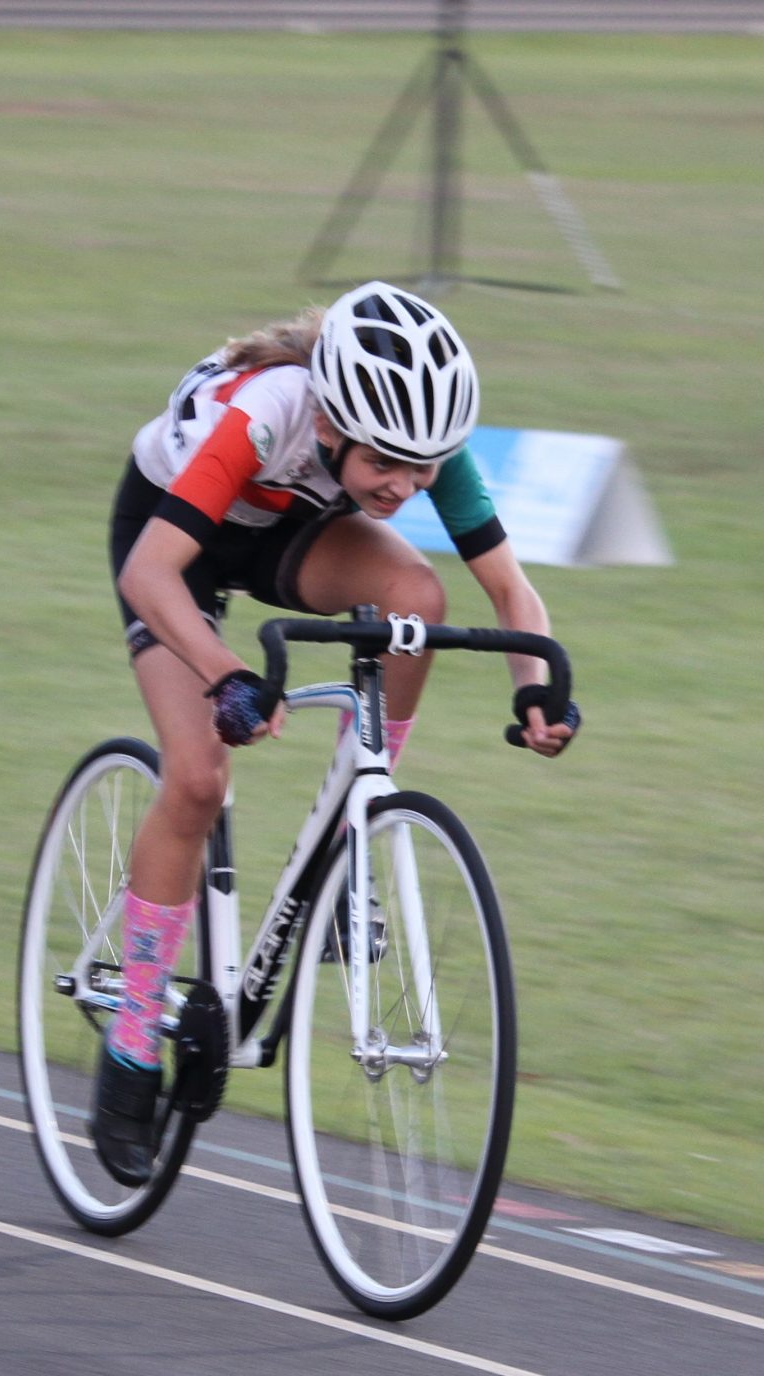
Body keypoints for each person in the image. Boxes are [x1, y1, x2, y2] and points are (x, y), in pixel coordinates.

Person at [93, 280, 581, 1184]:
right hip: (172, 546)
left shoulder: (418, 451)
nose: (405, 487)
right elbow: (153, 576)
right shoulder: (264, 415)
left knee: (418, 601)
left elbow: (510, 593)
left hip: (288, 531)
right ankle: (129, 1043)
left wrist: (536, 688)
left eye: (424, 468)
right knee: (197, 779)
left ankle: (358, 823)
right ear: (330, 427)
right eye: (385, 466)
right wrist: (225, 672)